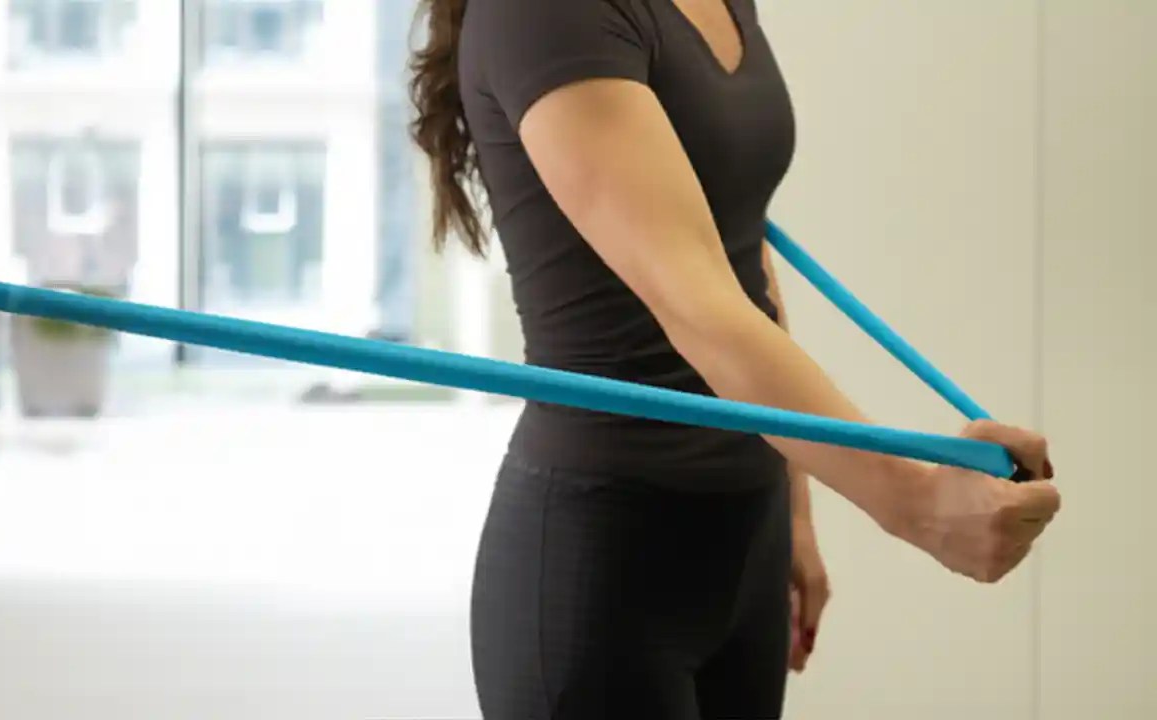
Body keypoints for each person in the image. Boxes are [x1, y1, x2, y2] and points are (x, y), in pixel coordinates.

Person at [408, 1, 1061, 718]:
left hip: (745, 532)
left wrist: (796, 508)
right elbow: (698, 305)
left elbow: (736, 257)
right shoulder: (546, 11)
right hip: (601, 560)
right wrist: (917, 504)